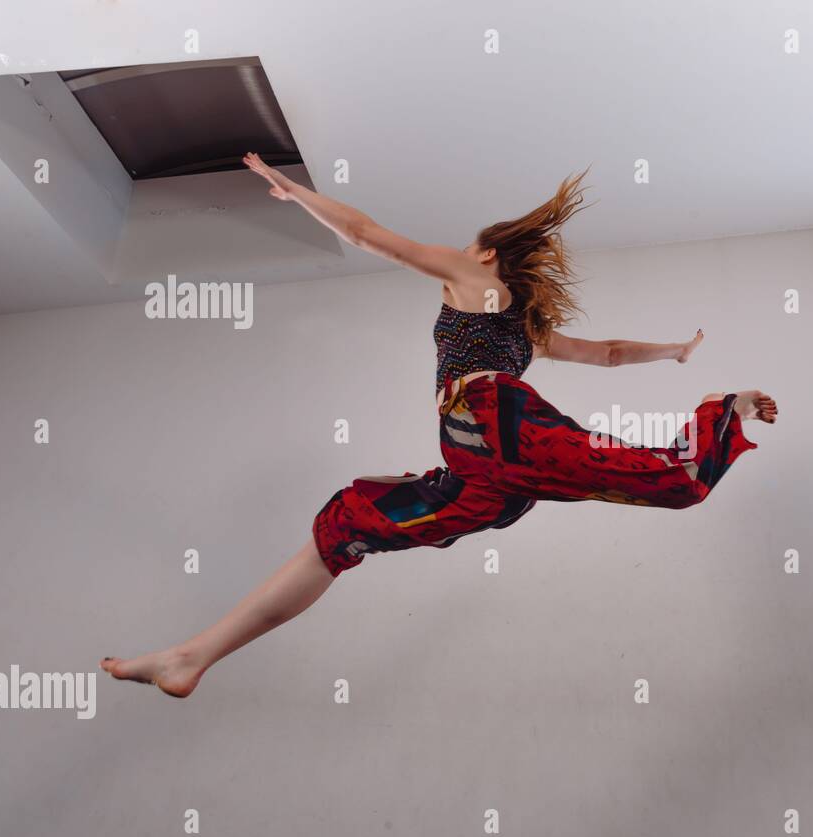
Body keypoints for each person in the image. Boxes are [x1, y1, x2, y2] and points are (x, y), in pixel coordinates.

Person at [100, 158, 778, 698]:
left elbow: (369, 236)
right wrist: (672, 350)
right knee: (343, 526)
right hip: (487, 477)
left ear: (485, 257)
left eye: (464, 247)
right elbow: (604, 353)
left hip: (494, 426)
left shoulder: (477, 282)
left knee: (678, 483)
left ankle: (726, 405)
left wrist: (295, 192)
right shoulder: (524, 328)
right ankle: (192, 655)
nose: (452, 254)